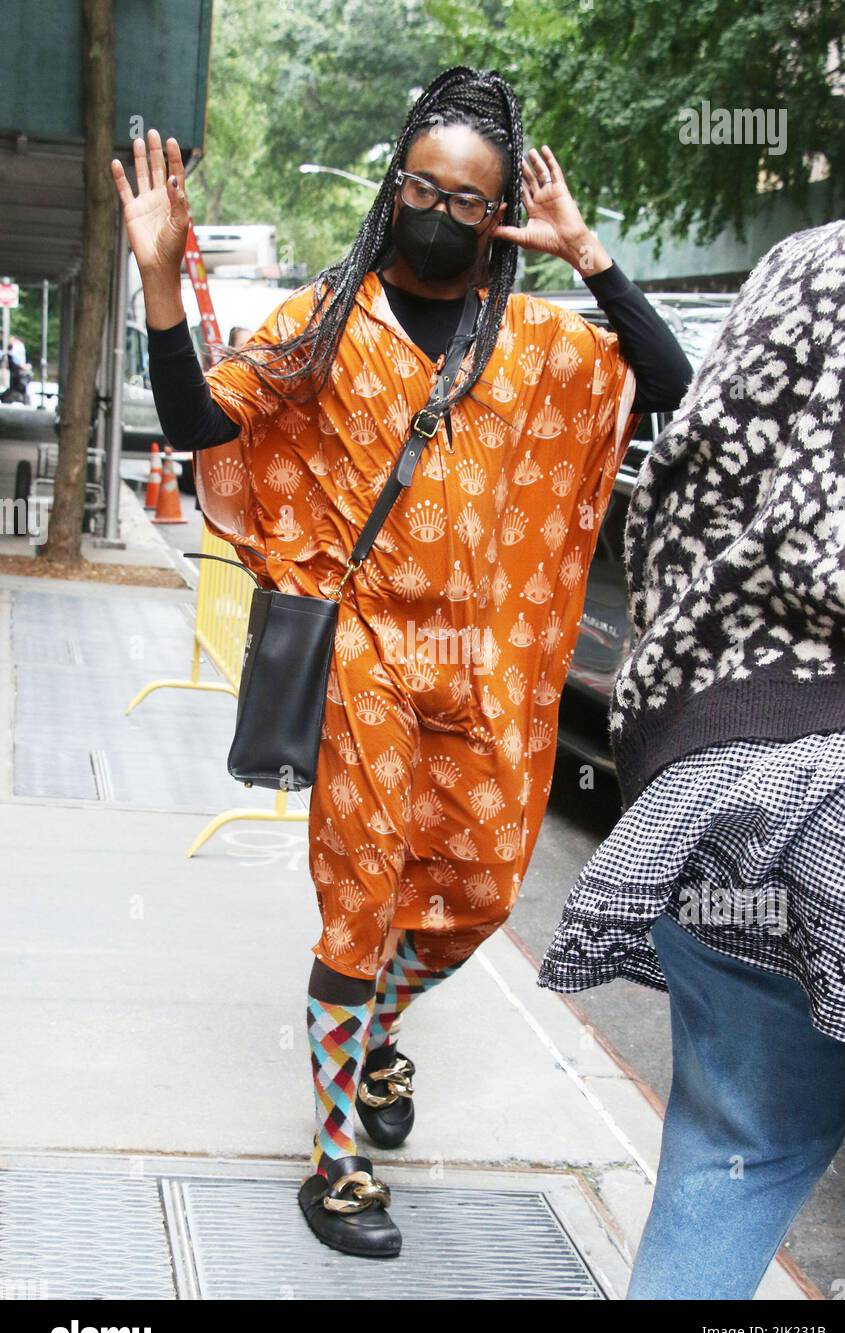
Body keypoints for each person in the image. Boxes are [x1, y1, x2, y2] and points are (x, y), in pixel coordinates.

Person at [111, 64, 691, 1259]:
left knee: (477, 892)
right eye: (419, 184)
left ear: (497, 221)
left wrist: (593, 259)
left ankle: (374, 1035)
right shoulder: (323, 323)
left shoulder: (540, 345)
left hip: (483, 665)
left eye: (466, 197)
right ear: (393, 187)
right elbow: (199, 423)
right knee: (362, 901)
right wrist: (162, 282)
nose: (437, 208)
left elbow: (682, 395)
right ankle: (337, 1166)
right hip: (365, 651)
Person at [539, 206, 845, 1299]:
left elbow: (677, 484)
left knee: (736, 1157)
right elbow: (838, 560)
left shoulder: (802, 260)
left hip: (713, 801)